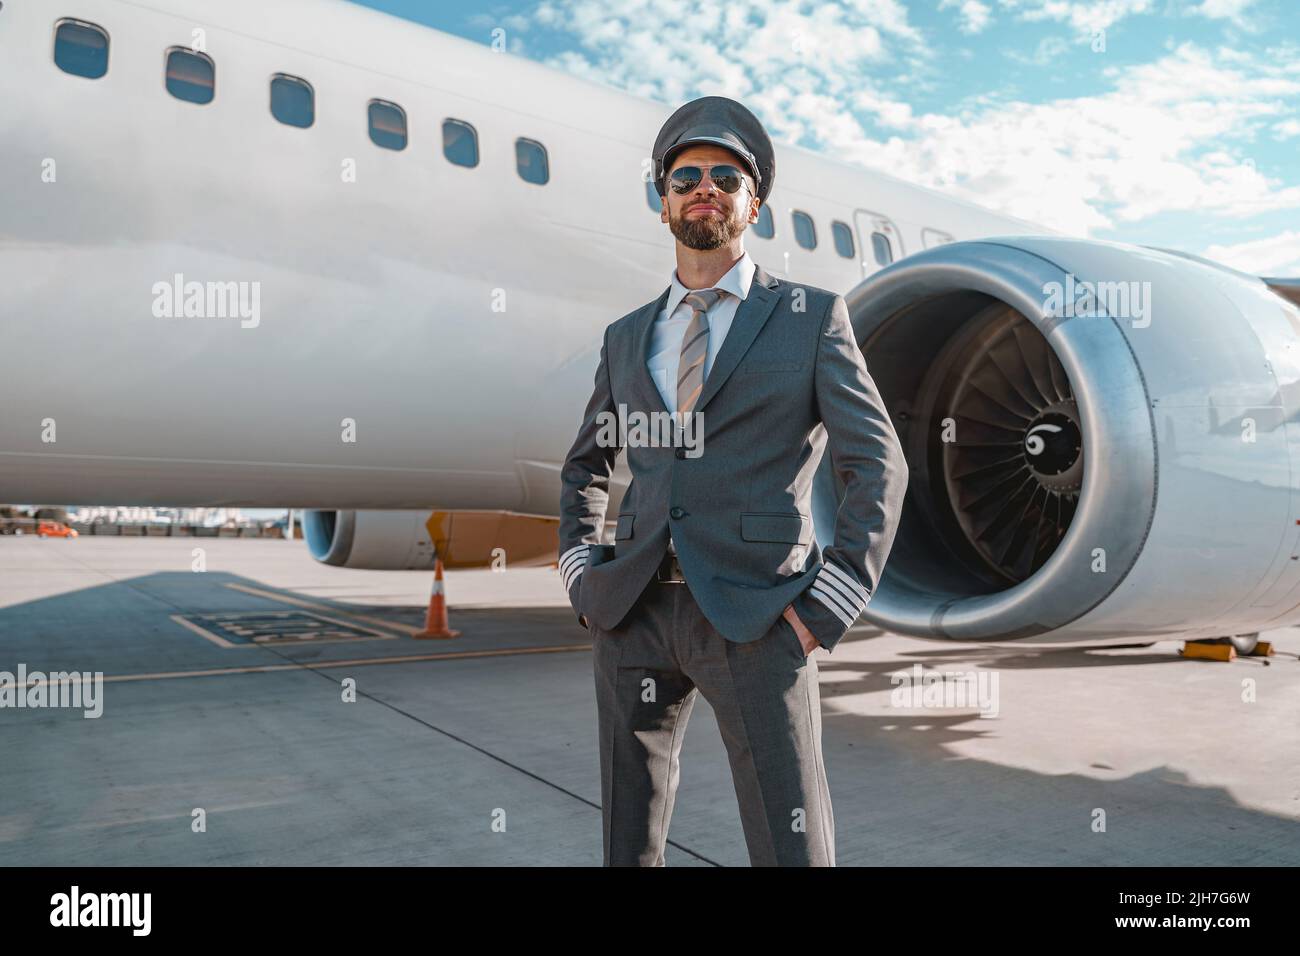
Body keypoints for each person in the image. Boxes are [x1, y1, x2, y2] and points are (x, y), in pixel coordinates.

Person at [558, 95, 909, 866]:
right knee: (627, 839)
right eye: (685, 177)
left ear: (754, 203)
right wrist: (583, 574)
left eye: (725, 175)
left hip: (759, 616)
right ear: (664, 203)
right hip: (633, 613)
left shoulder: (811, 318)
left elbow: (877, 464)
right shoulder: (628, 337)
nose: (703, 187)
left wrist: (827, 607)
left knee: (790, 842)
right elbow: (589, 464)